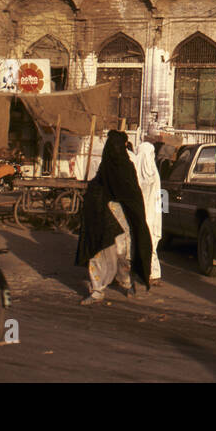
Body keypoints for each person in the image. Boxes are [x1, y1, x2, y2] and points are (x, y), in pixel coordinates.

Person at [76, 130, 153, 305]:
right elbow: (96, 190)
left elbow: (133, 195)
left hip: (123, 215)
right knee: (98, 253)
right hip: (104, 215)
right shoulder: (105, 167)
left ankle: (127, 282)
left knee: (123, 252)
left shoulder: (126, 167)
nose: (115, 150)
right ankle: (97, 290)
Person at [130, 140, 164, 288]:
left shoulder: (135, 171)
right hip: (152, 214)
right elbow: (161, 196)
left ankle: (150, 273)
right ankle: (152, 274)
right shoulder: (154, 172)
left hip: (142, 213)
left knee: (142, 241)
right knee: (150, 242)